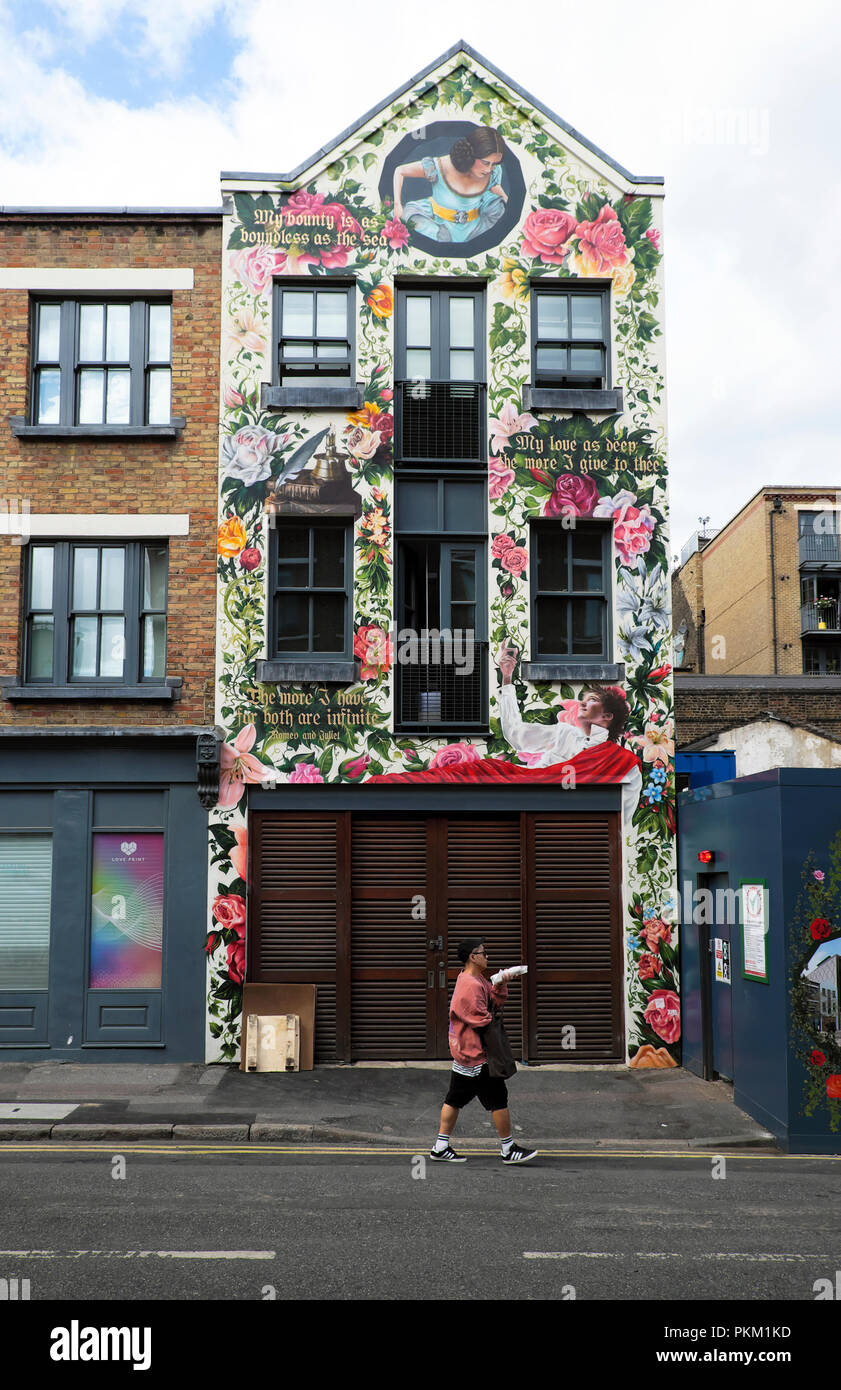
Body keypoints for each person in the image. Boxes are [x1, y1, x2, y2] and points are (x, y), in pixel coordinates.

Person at [496, 642, 642, 823]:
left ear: (607, 715)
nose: (582, 703)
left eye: (592, 700)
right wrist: (507, 678)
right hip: (531, 811)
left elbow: (622, 819)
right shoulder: (564, 734)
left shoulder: (624, 763)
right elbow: (516, 734)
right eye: (584, 699)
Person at [430, 937, 538, 1164]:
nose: (487, 956)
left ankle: (440, 1146)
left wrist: (499, 982)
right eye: (483, 952)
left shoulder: (474, 978)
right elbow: (479, 1017)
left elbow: (493, 1001)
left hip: (466, 1054)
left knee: (455, 1099)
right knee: (498, 1099)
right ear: (473, 956)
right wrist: (493, 1016)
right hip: (476, 1054)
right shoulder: (470, 984)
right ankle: (508, 1149)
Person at [392, 126, 508, 244]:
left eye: (494, 164)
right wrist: (397, 205)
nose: (489, 169)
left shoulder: (493, 171)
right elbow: (400, 171)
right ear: (471, 154)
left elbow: (495, 187)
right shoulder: (439, 166)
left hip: (475, 228)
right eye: (485, 163)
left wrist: (509, 203)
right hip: (437, 224)